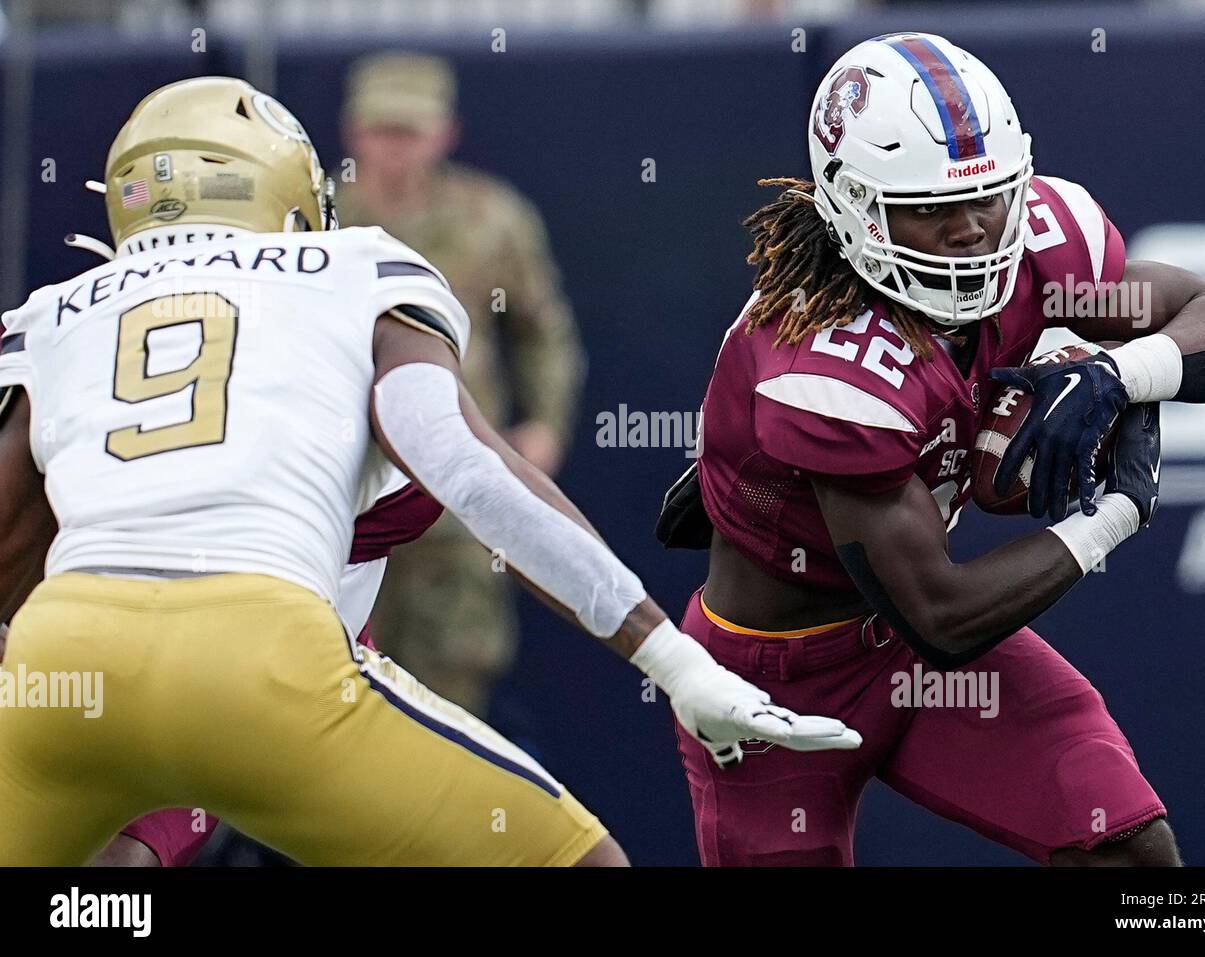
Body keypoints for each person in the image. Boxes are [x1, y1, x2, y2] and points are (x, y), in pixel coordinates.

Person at [0, 76, 860, 866]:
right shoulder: (350, 267)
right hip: (260, 652)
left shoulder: (51, 316)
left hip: (62, 657)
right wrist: (674, 660)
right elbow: (461, 463)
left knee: (107, 875)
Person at [663, 33, 1205, 866]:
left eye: (987, 197)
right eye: (928, 207)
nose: (967, 230)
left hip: (913, 654)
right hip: (770, 683)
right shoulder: (823, 361)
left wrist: (1115, 373)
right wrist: (1114, 516)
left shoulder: (1042, 249)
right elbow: (941, 620)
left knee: (1131, 854)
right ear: (851, 203)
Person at [335, 53, 585, 714]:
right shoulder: (319, 220)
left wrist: (544, 426)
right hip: (337, 489)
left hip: (454, 487)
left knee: (450, 690)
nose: (394, 149)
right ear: (353, 132)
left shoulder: (494, 219)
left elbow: (544, 331)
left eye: (409, 132)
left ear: (444, 133)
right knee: (328, 682)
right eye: (381, 131)